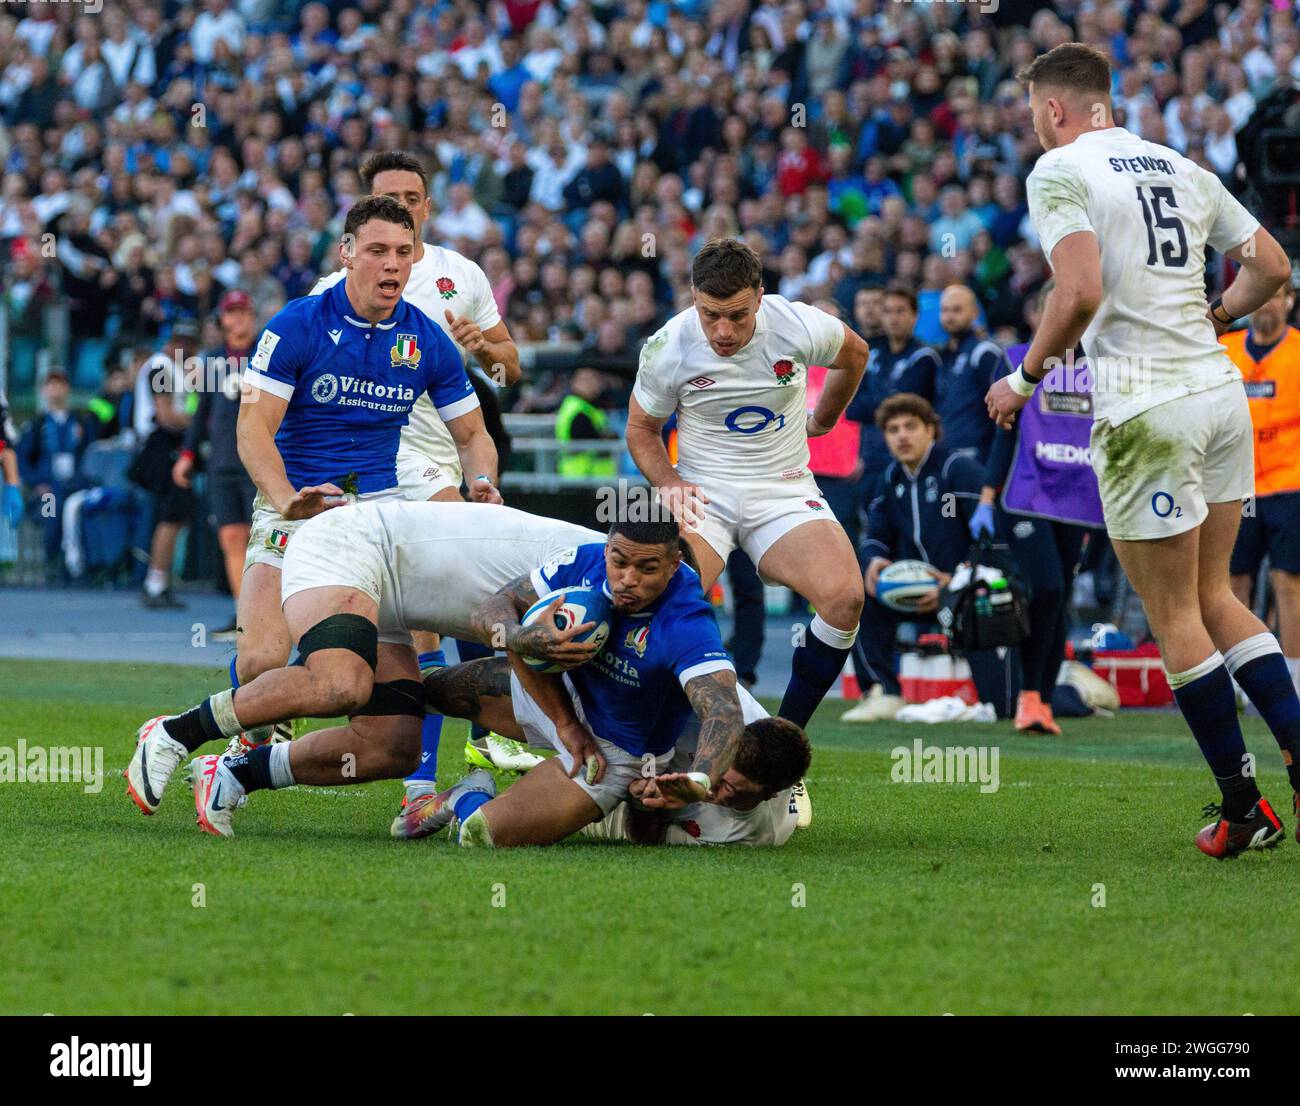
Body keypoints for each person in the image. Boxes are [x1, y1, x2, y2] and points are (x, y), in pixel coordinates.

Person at [985, 43, 1296, 858]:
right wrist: (1220, 317)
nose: (1033, 126)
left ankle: (1243, 806)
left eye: (1032, 112)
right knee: (1220, 599)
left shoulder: (1060, 170)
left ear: (1054, 109)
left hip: (1147, 408)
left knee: (1177, 617)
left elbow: (1078, 290)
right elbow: (1270, 264)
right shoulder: (1180, 165)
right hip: (1218, 394)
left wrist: (1022, 379)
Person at [124, 500, 602, 831]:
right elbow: (494, 621)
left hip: (397, 594)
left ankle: (232, 773)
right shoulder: (605, 570)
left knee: (393, 748)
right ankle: (175, 732)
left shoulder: (635, 583)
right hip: (353, 544)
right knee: (341, 685)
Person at [230, 193, 500, 758]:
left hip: (375, 514)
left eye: (403, 252)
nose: (393, 264)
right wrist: (285, 498)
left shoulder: (426, 338)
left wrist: (479, 483)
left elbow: (473, 436)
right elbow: (252, 429)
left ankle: (434, 777)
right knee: (260, 660)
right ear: (346, 255)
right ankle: (249, 737)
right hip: (295, 505)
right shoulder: (296, 325)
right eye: (377, 250)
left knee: (406, 676)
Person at [309, 151, 521, 802]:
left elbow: (511, 371)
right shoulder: (326, 294)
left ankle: (475, 750)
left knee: (471, 603)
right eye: (388, 198)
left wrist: (485, 350)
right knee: (425, 607)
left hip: (447, 445)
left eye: (412, 196)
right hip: (374, 455)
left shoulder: (462, 277)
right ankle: (426, 782)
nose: (402, 206)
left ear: (427, 205)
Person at [625, 238, 869, 732]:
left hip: (782, 489)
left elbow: (856, 353)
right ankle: (640, 748)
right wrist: (669, 483)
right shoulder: (668, 346)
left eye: (737, 315)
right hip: (703, 495)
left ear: (760, 295)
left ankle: (782, 745)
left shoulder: (796, 323)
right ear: (694, 296)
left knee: (845, 599)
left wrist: (823, 418)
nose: (723, 330)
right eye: (711, 314)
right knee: (651, 609)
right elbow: (640, 429)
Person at [399, 516, 746, 848]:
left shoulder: (687, 621)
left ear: (674, 564)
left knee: (483, 834)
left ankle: (463, 795)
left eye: (647, 569)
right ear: (608, 548)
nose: (627, 578)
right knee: (419, 694)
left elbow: (723, 707)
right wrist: (522, 637)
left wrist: (700, 779)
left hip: (613, 752)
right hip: (557, 691)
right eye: (619, 561)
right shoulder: (587, 560)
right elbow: (493, 607)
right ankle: (405, 772)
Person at [975, 282, 1104, 735]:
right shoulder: (1014, 360)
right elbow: (1002, 431)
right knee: (1046, 587)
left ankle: (1039, 700)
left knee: (1061, 596)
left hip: (1080, 496)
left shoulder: (1101, 366)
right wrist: (987, 497)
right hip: (1024, 492)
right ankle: (1027, 693)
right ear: (1038, 314)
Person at [843, 393, 1015, 723]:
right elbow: (876, 534)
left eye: (910, 426)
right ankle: (883, 692)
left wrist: (956, 581)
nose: (902, 436)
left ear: (931, 430)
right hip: (916, 589)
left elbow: (993, 539)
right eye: (893, 430)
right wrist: (874, 560)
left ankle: (1066, 684)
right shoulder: (890, 478)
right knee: (857, 599)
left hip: (970, 590)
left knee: (1003, 707)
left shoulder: (958, 469)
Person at [1223, 283, 1300, 692]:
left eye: (1276, 294)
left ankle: (1294, 674)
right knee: (1235, 581)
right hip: (1238, 484)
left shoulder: (1298, 351)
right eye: (1260, 294)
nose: (1267, 302)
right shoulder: (1226, 348)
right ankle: (1239, 676)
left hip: (1291, 483)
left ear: (1289, 301)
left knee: (1289, 580)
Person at [173, 289, 259, 637]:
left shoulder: (266, 355)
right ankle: (245, 618)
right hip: (222, 460)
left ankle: (267, 614)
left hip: (259, 462)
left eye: (242, 312)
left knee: (263, 540)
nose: (237, 319)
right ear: (222, 319)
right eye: (231, 312)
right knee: (231, 537)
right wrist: (187, 454)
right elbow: (200, 414)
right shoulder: (210, 361)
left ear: (251, 316)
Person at [131, 324, 201, 608]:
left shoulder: (176, 368)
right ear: (170, 344)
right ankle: (155, 582)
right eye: (180, 343)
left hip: (166, 445)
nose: (186, 349)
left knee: (175, 515)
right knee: (171, 515)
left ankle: (159, 580)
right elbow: (166, 415)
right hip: (161, 445)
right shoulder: (161, 367)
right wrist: (199, 424)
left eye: (190, 344)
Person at [15, 368, 95, 580]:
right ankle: (54, 563)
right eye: (52, 384)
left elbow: (90, 454)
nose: (56, 389)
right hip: (48, 489)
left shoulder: (80, 422)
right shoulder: (37, 424)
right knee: (52, 510)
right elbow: (21, 458)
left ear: (67, 388)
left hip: (75, 486)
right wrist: (36, 482)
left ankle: (85, 567)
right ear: (44, 390)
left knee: (85, 508)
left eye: (60, 384)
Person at [935, 284, 1009, 462]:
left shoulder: (984, 352)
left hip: (977, 454)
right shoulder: (943, 355)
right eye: (945, 310)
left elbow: (1003, 408)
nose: (950, 316)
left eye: (957, 310)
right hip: (947, 452)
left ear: (975, 313)